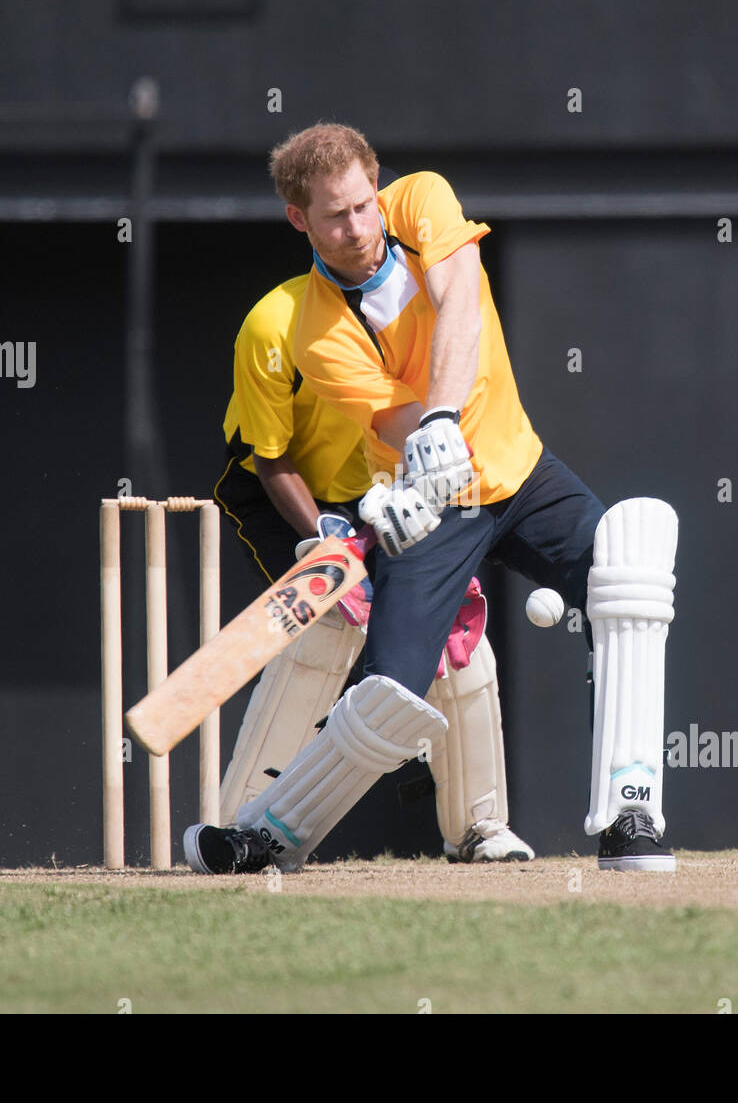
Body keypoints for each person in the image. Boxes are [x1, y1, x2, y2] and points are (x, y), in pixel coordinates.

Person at [185, 122, 679, 875]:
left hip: (520, 469)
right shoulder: (314, 332)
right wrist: (415, 472)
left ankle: (629, 814)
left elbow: (460, 301)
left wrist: (444, 421)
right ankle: (267, 834)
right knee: (388, 693)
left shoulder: (422, 201)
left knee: (629, 561)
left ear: (377, 186)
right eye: (333, 216)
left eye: (361, 205)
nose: (356, 228)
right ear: (299, 221)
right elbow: (394, 420)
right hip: (433, 503)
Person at [186, 274, 535, 865]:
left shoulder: (429, 319)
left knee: (454, 633)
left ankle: (479, 827)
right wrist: (322, 531)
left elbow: (436, 436)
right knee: (328, 620)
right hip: (283, 490)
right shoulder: (274, 324)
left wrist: (422, 504)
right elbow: (270, 460)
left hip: (387, 489)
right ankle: (240, 830)